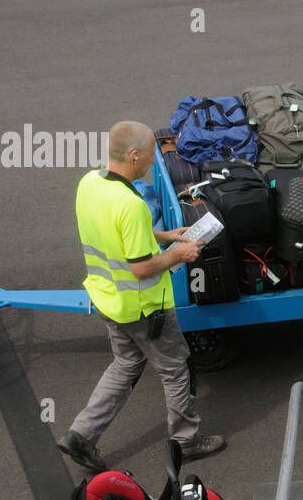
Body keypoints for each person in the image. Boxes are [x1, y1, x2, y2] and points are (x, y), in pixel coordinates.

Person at [57, 121, 227, 472]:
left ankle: (81, 434)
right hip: (143, 308)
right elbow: (141, 267)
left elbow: (118, 231)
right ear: (133, 155)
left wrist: (165, 236)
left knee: (126, 365)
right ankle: (186, 440)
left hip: (109, 300)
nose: (152, 163)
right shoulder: (130, 204)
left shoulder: (90, 184)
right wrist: (179, 254)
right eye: (150, 157)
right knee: (175, 368)